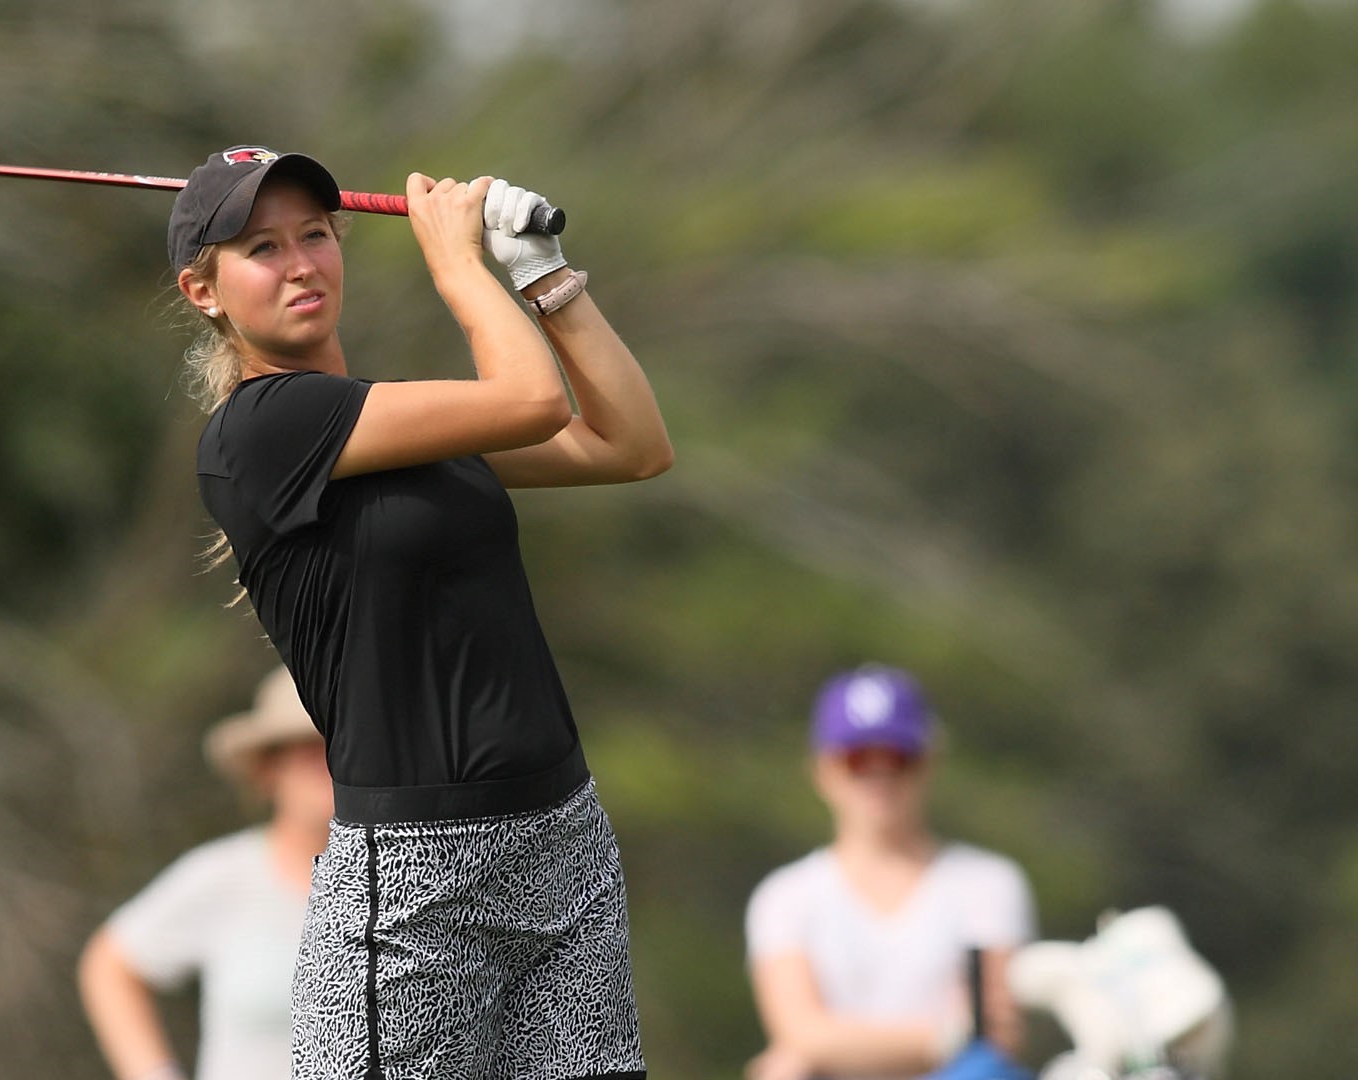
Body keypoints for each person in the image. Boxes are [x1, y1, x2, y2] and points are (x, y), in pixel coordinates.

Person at [169, 145, 672, 1080]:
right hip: (412, 874)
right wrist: (457, 263)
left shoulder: (392, 418)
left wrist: (546, 276)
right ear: (205, 292)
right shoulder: (258, 431)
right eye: (263, 249)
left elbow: (632, 445)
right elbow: (530, 399)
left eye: (314, 236)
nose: (301, 264)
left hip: (561, 838)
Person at [745, 665, 1038, 1080]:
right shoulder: (784, 896)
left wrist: (827, 1047)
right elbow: (802, 1033)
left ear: (929, 762)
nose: (878, 777)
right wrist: (944, 1037)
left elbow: (992, 1037)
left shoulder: (988, 883)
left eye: (898, 758)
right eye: (857, 760)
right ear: (822, 770)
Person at [77, 666, 333, 1080]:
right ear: (271, 768)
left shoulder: (413, 880)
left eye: (341, 747)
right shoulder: (224, 875)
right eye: (310, 750)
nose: (330, 764)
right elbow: (110, 966)